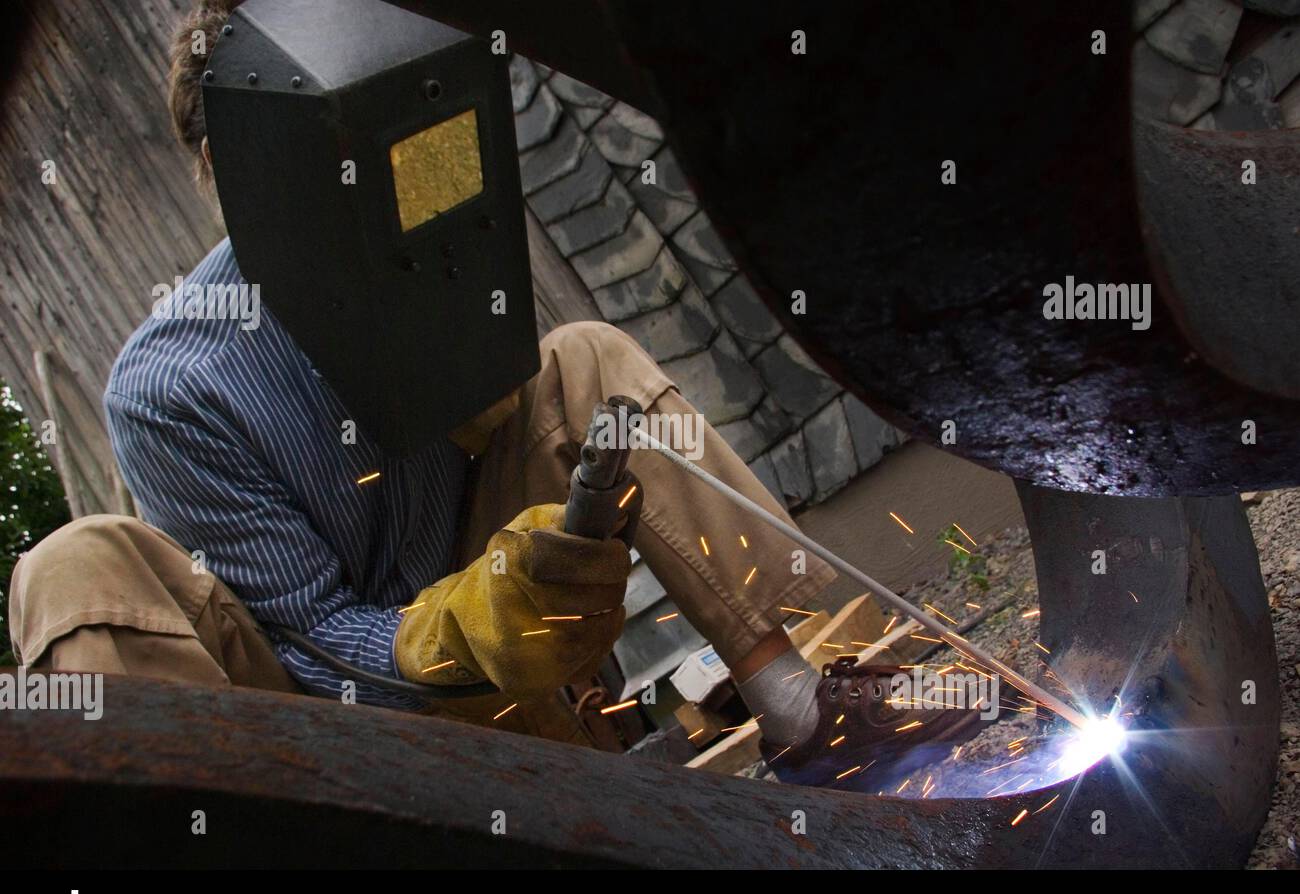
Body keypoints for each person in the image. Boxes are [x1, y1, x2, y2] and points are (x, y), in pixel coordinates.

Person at [8, 0, 980, 788]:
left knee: (586, 362)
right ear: (233, 169)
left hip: (521, 687)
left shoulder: (427, 224)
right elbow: (306, 640)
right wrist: (460, 626)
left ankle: (804, 700)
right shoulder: (174, 387)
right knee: (74, 566)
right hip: (339, 739)